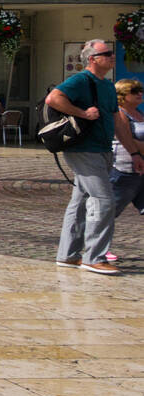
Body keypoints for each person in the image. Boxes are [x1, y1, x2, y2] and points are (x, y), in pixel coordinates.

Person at [47, 40, 144, 276]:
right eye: (107, 54)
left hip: (102, 149)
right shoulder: (81, 80)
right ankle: (94, 257)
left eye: (112, 54)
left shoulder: (107, 86)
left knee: (79, 203)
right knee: (104, 200)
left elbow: (118, 121)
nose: (112, 57)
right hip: (84, 150)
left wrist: (133, 152)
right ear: (93, 59)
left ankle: (68, 255)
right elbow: (53, 98)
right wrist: (83, 113)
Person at [108, 79, 144, 263]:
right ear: (122, 95)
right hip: (124, 171)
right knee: (109, 212)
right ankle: (99, 248)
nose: (140, 93)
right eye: (134, 90)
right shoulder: (120, 114)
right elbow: (127, 139)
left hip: (141, 173)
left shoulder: (139, 113)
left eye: (140, 90)